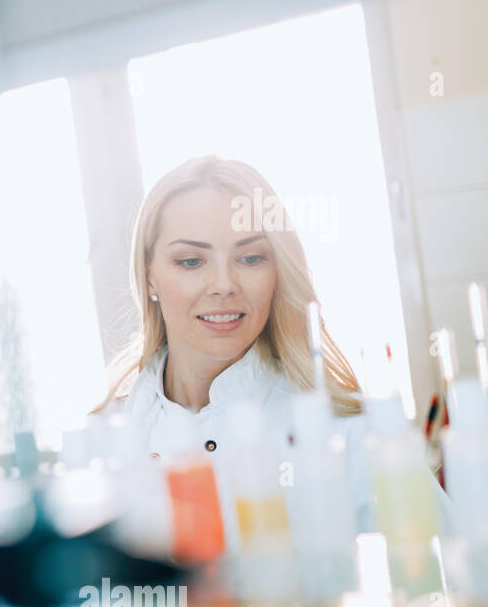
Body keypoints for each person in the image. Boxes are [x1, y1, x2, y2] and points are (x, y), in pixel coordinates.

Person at [96, 154, 449, 539]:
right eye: (192, 261)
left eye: (250, 258)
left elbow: (452, 570)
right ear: (149, 276)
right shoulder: (103, 445)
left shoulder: (353, 436)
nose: (224, 284)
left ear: (277, 270)